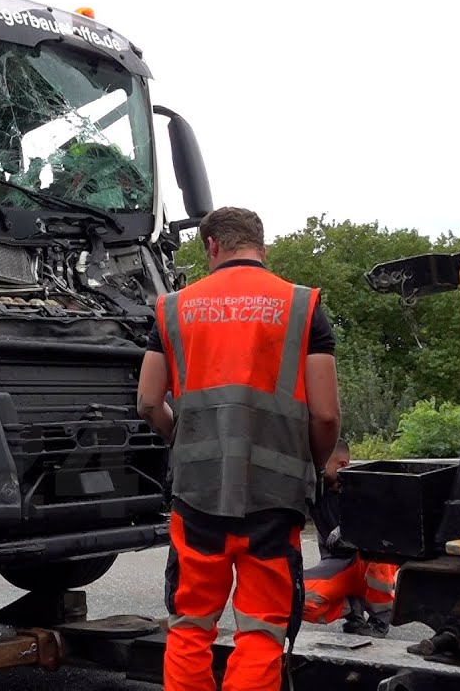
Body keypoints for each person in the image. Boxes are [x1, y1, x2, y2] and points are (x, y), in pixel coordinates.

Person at [137, 206, 342, 691]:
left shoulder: (172, 308)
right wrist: (313, 468)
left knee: (190, 625)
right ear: (261, 246)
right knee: (261, 629)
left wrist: (185, 441)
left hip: (198, 494)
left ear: (211, 246)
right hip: (274, 497)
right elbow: (326, 414)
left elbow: (148, 402)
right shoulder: (302, 306)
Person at [302, 439, 398, 637]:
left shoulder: (368, 487)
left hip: (369, 561)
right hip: (339, 564)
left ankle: (380, 620)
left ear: (342, 465)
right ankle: (353, 610)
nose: (315, 467)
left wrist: (349, 528)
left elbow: (391, 529)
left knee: (380, 560)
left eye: (320, 463)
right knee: (293, 596)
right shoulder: (315, 490)